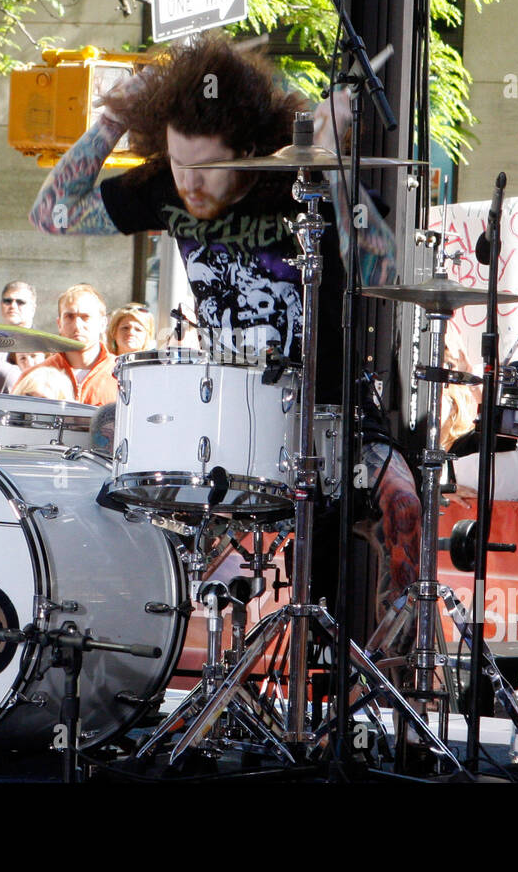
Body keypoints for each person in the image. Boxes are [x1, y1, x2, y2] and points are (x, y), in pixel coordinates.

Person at [29, 34, 419, 613]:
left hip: (330, 417)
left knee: (404, 505)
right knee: (109, 450)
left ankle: (388, 679)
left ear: (247, 151)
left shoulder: (300, 182)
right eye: (179, 162)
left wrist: (334, 163)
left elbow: (382, 267)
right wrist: (111, 119)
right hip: (226, 419)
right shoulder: (167, 190)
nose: (190, 184)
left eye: (208, 168)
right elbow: (52, 214)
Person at [17, 284, 117, 406]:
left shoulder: (122, 376)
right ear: (59, 324)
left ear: (103, 323)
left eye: (85, 317)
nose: (77, 325)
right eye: (70, 317)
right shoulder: (31, 377)